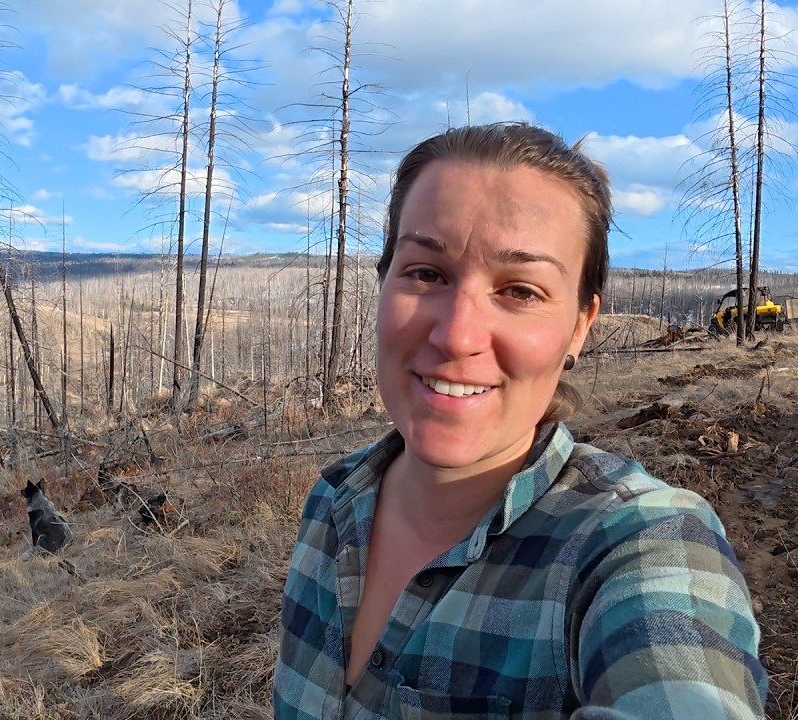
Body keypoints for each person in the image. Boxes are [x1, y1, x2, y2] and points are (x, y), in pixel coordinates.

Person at [274, 122, 767, 719]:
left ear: (580, 326)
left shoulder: (637, 544)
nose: (457, 335)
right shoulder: (333, 502)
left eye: (521, 291)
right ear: (384, 285)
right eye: (426, 273)